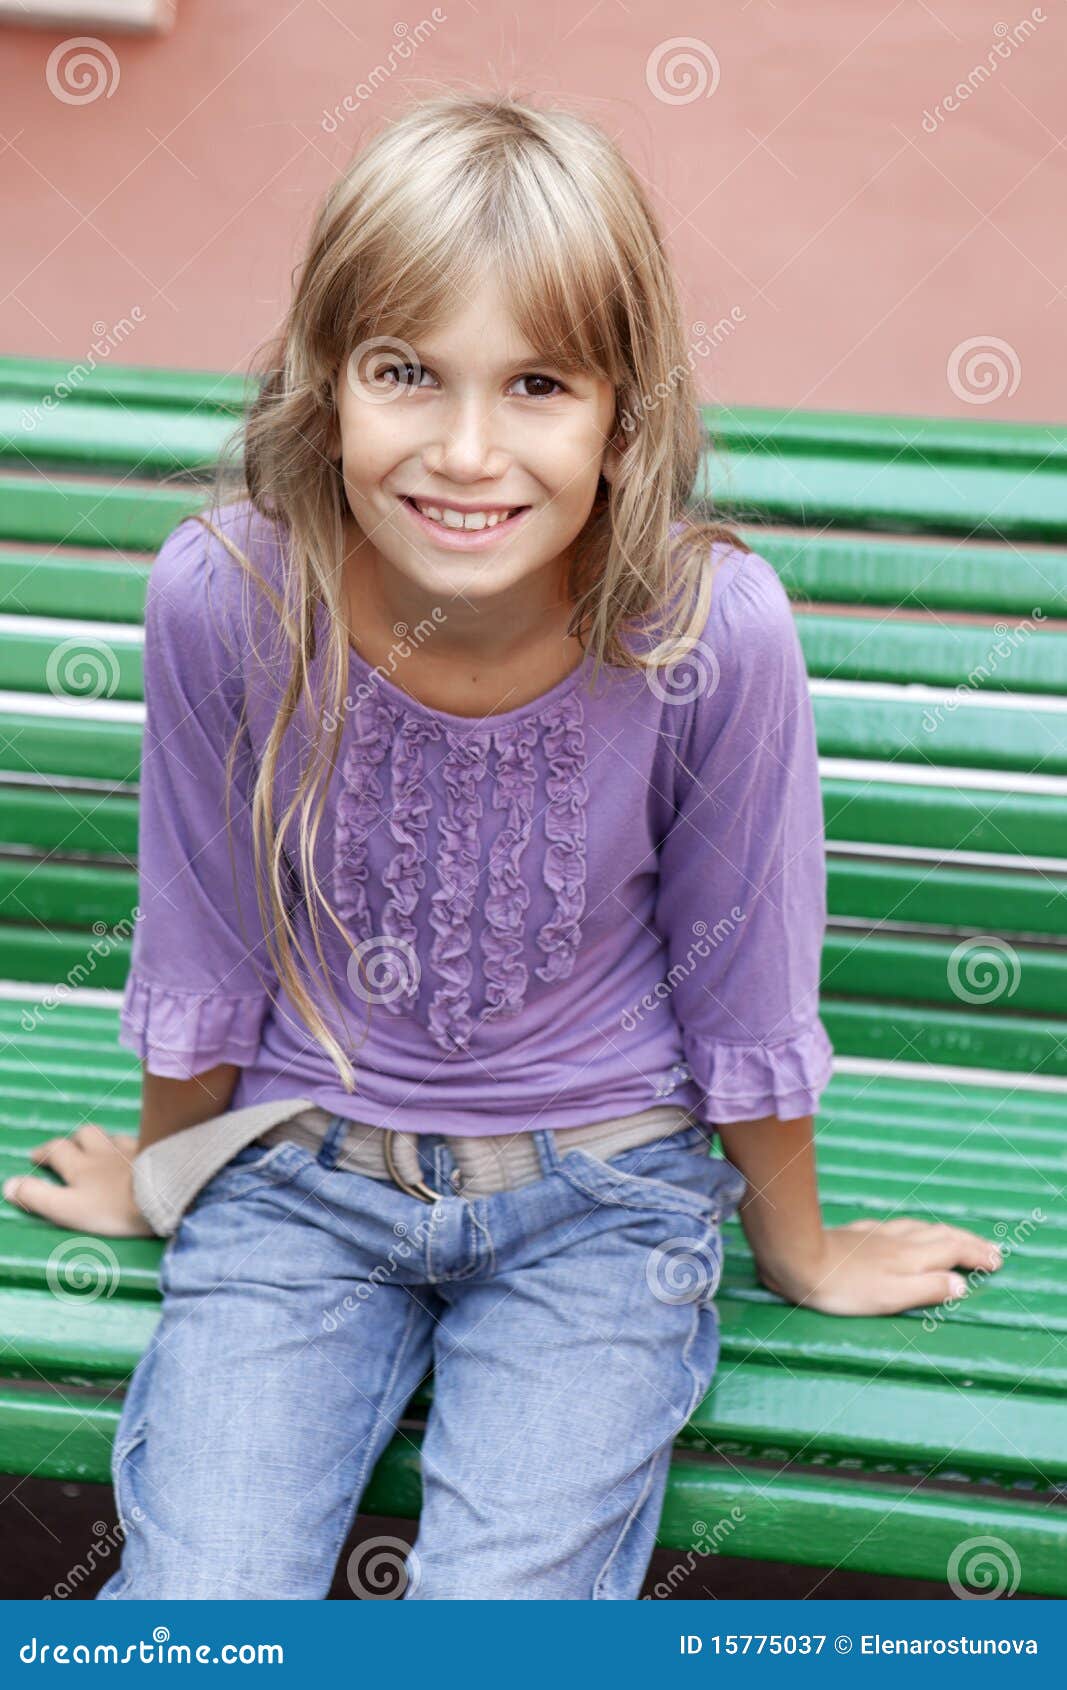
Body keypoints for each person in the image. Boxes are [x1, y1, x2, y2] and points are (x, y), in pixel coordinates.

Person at [2, 92, 1002, 1601]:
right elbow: (205, 942)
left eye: (538, 383)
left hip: (603, 1205)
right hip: (297, 1181)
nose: (468, 451)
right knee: (200, 1614)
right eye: (407, 372)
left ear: (624, 414)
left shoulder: (707, 634)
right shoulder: (228, 597)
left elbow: (742, 982)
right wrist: (164, 1169)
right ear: (324, 380)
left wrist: (794, 1248)